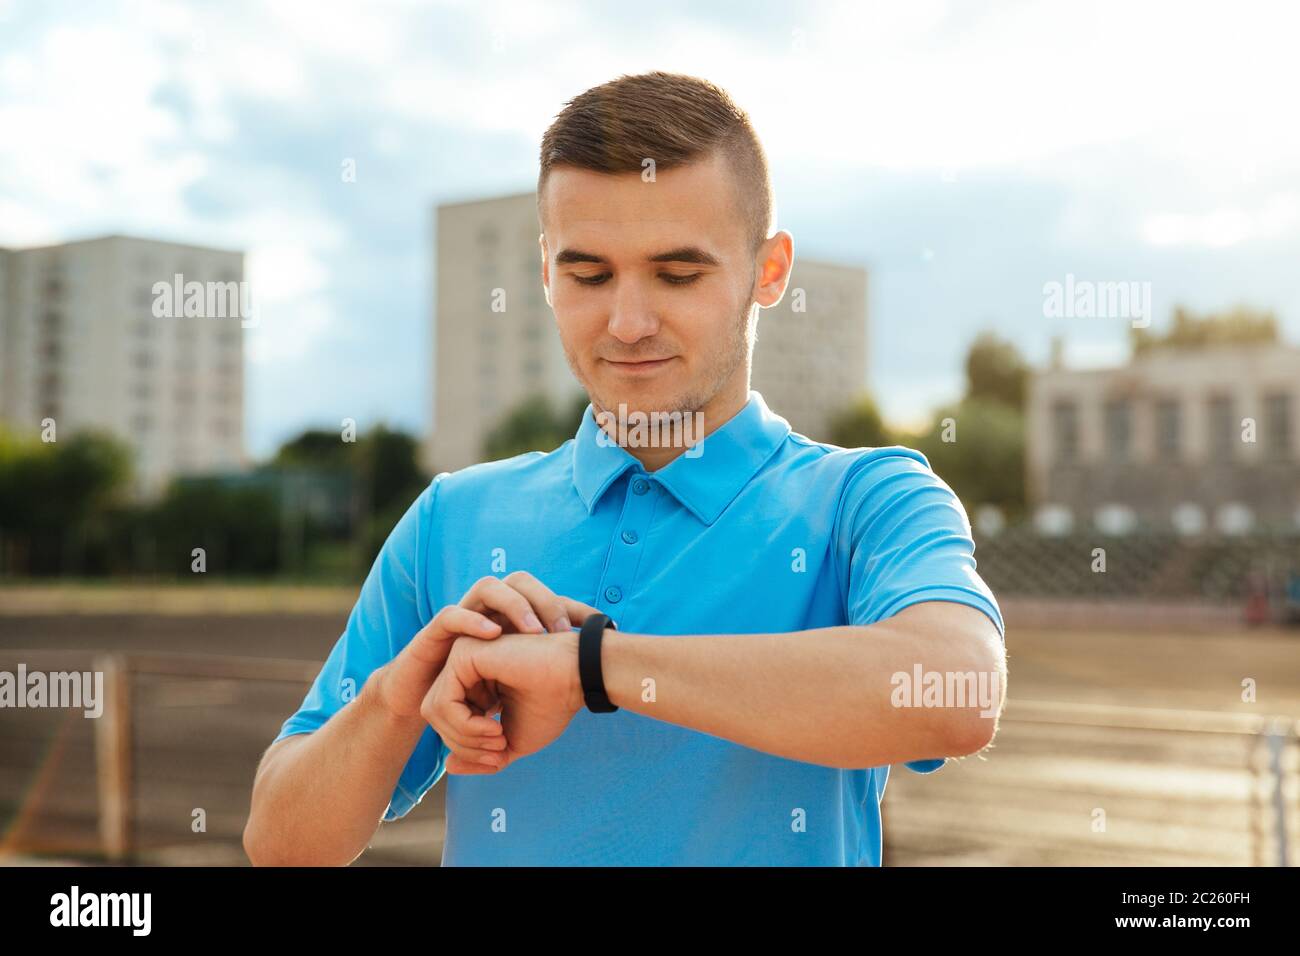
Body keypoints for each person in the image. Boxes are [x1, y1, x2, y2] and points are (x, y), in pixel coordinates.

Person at [243, 71, 1006, 866]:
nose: (630, 322)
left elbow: (959, 691)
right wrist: (399, 696)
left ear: (769, 270)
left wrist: (590, 666)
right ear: (545, 271)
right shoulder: (452, 519)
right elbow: (280, 845)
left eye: (678, 274)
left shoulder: (868, 498)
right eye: (589, 275)